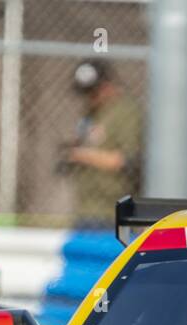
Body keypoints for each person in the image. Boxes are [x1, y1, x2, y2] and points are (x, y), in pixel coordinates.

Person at [59, 60, 142, 227]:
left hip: (112, 211)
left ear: (106, 85)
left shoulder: (126, 112)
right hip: (86, 207)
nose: (88, 98)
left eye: (92, 92)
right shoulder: (90, 113)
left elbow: (125, 160)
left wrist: (82, 155)